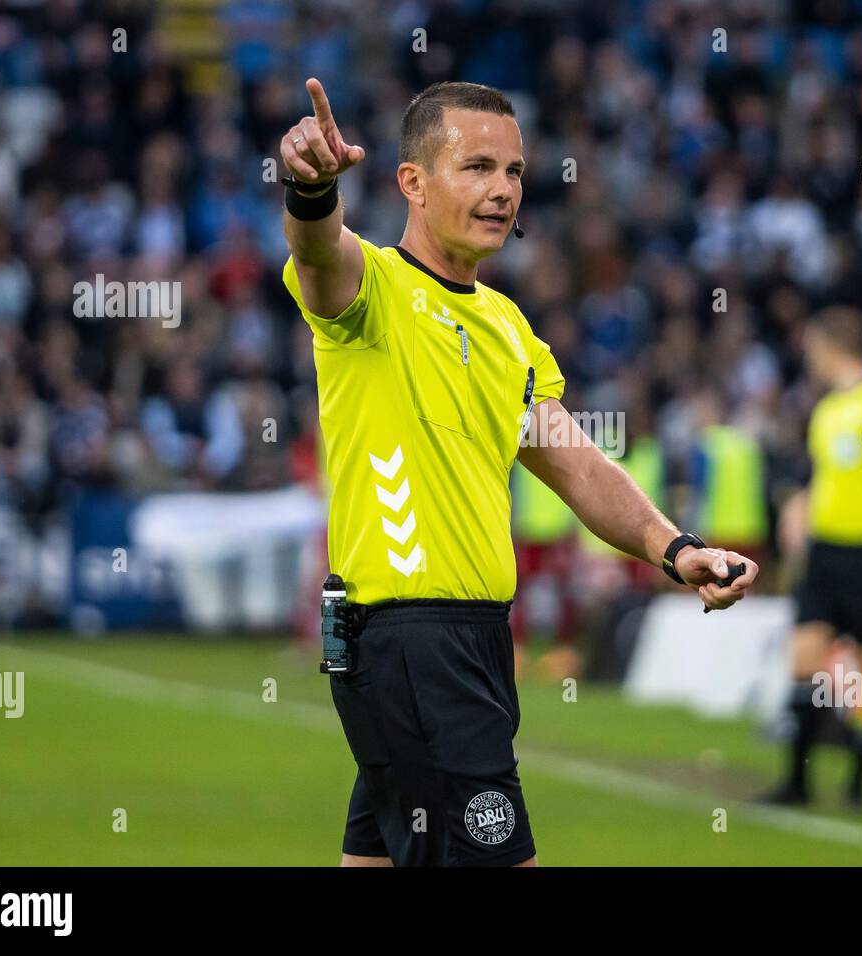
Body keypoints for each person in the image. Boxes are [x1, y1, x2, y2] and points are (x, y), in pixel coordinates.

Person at [279, 78, 759, 867]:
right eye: (476, 167)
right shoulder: (372, 292)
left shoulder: (506, 327)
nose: (502, 190)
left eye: (513, 171)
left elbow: (576, 466)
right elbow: (318, 255)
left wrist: (677, 549)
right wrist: (311, 187)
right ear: (413, 183)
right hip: (413, 640)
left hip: (468, 640)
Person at [761, 307, 862, 807]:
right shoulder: (829, 408)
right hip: (824, 551)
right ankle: (798, 782)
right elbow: (826, 478)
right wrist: (800, 508)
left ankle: (857, 787)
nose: (807, 358)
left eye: (813, 347)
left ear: (834, 345)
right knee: (803, 661)